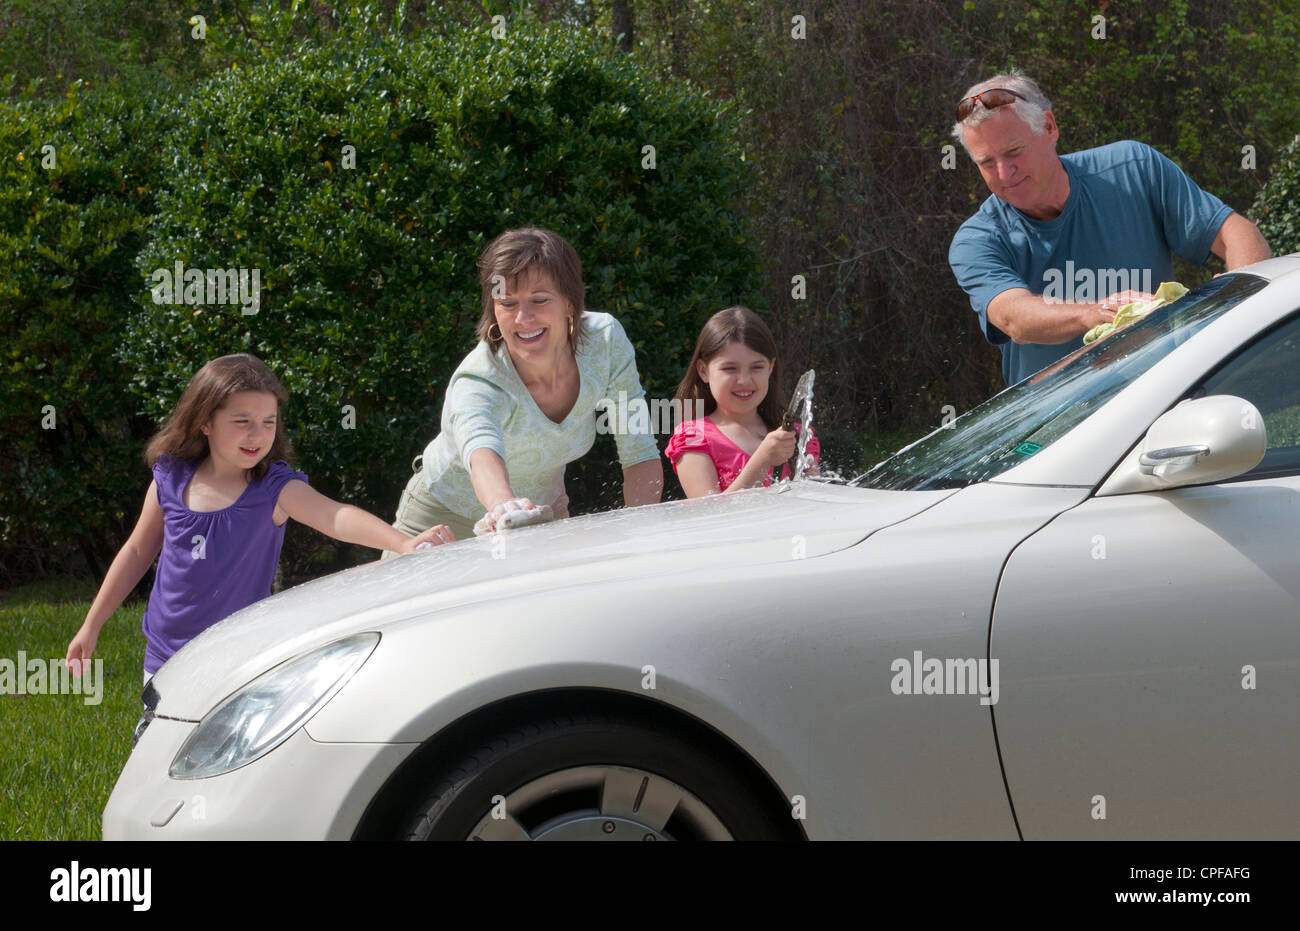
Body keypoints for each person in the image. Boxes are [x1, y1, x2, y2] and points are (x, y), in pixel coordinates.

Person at [66, 353, 453, 685]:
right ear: (205, 422)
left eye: (269, 421)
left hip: (237, 655)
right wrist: (91, 624)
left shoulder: (272, 488)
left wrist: (402, 543)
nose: (258, 434)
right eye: (242, 421)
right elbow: (136, 551)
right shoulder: (172, 477)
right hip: (164, 657)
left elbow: (334, 516)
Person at [948, 70, 1271, 385]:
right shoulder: (977, 240)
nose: (1004, 174)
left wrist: (1237, 297)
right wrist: (1098, 314)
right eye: (987, 163)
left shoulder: (1134, 168)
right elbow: (1012, 316)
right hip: (1059, 422)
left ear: (1049, 127)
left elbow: (1236, 233)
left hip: (1167, 393)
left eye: (1013, 152)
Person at [389, 227, 663, 548]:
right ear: (493, 310)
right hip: (439, 520)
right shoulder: (478, 379)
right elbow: (482, 455)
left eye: (539, 300)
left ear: (570, 304)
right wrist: (504, 506)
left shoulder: (604, 341)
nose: (523, 317)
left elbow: (638, 451)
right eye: (507, 303)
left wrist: (644, 535)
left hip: (541, 512)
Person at [665, 306, 820, 497]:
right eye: (730, 368)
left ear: (770, 368)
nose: (744, 380)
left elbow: (815, 505)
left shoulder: (796, 436)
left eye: (757, 367)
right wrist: (763, 460)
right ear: (703, 371)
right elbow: (709, 515)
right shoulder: (693, 438)